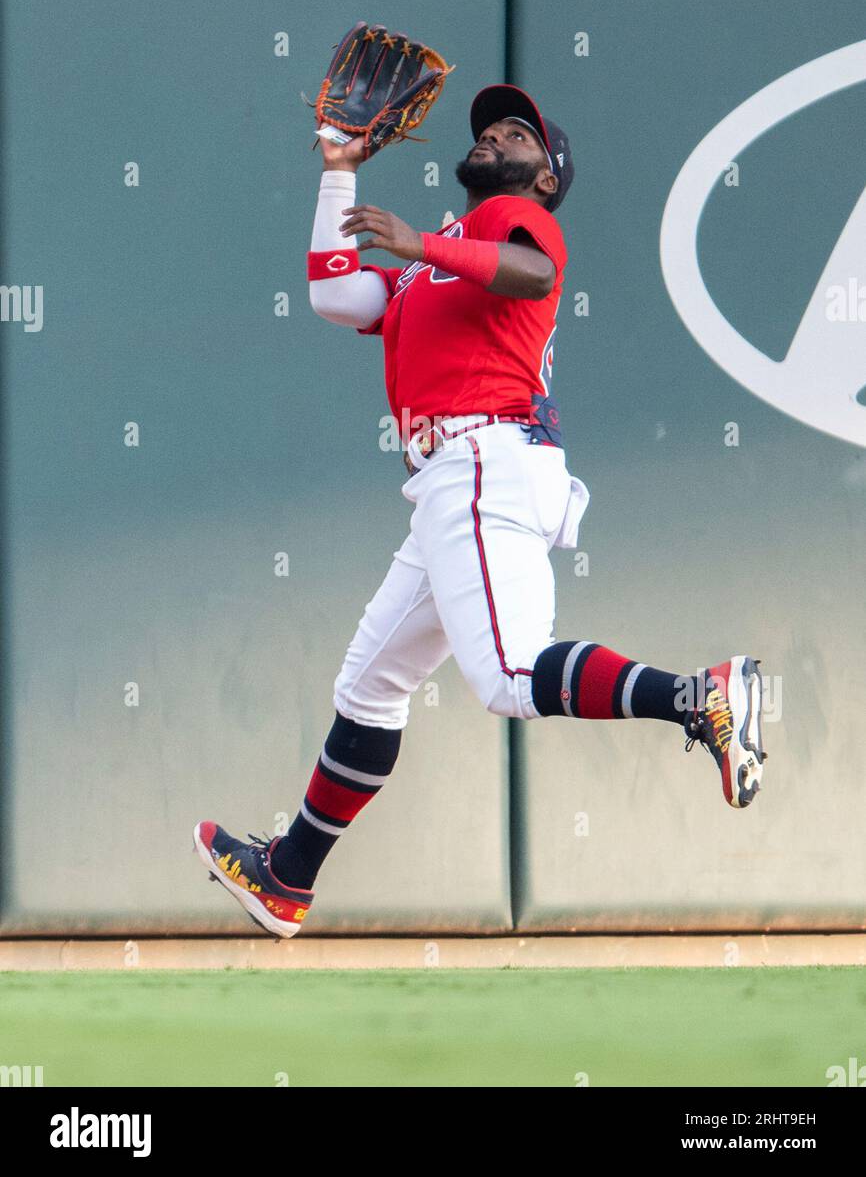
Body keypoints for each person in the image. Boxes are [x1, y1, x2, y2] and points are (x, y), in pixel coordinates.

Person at [194, 84, 765, 938]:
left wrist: (419, 239)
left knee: (507, 676)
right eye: (492, 127)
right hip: (449, 482)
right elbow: (335, 294)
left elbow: (534, 273)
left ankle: (698, 696)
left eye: (519, 135)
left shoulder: (510, 227)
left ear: (545, 180)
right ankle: (287, 878)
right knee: (370, 686)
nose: (496, 134)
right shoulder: (433, 264)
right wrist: (338, 175)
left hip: (484, 460)